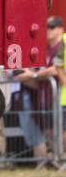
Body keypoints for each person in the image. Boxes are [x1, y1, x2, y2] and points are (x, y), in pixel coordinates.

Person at [11, 15, 65, 167]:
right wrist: (29, 77)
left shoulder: (63, 44)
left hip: (59, 97)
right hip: (47, 98)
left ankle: (57, 161)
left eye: (52, 26)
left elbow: (57, 69)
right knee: (50, 133)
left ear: (61, 28)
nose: (47, 30)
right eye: (45, 27)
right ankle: (53, 163)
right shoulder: (46, 50)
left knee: (60, 133)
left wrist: (33, 75)